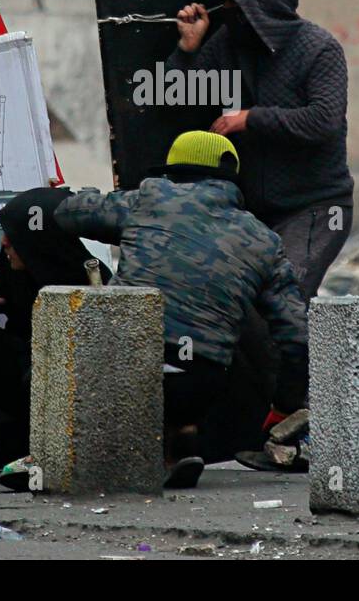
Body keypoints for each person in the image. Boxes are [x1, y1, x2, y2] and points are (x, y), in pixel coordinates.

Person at [55, 130, 308, 489]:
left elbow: (67, 213)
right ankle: (184, 437)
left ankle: (63, 452)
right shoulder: (263, 239)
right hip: (202, 381)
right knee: (216, 348)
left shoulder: (148, 198)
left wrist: (92, 200)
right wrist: (284, 406)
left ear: (172, 170)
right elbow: (297, 337)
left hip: (125, 366)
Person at [169, 0, 354, 304]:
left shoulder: (319, 50)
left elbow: (323, 120)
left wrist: (249, 118)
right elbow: (178, 101)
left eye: (233, 3)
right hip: (252, 212)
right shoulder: (227, 45)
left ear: (257, 7)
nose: (226, 11)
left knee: (284, 296)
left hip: (315, 209)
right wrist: (187, 48)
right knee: (233, 304)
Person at [0, 187, 108, 484]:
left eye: (14, 237)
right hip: (15, 391)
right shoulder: (13, 266)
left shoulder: (91, 280)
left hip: (61, 405)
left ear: (38, 242)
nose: (4, 243)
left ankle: (44, 456)